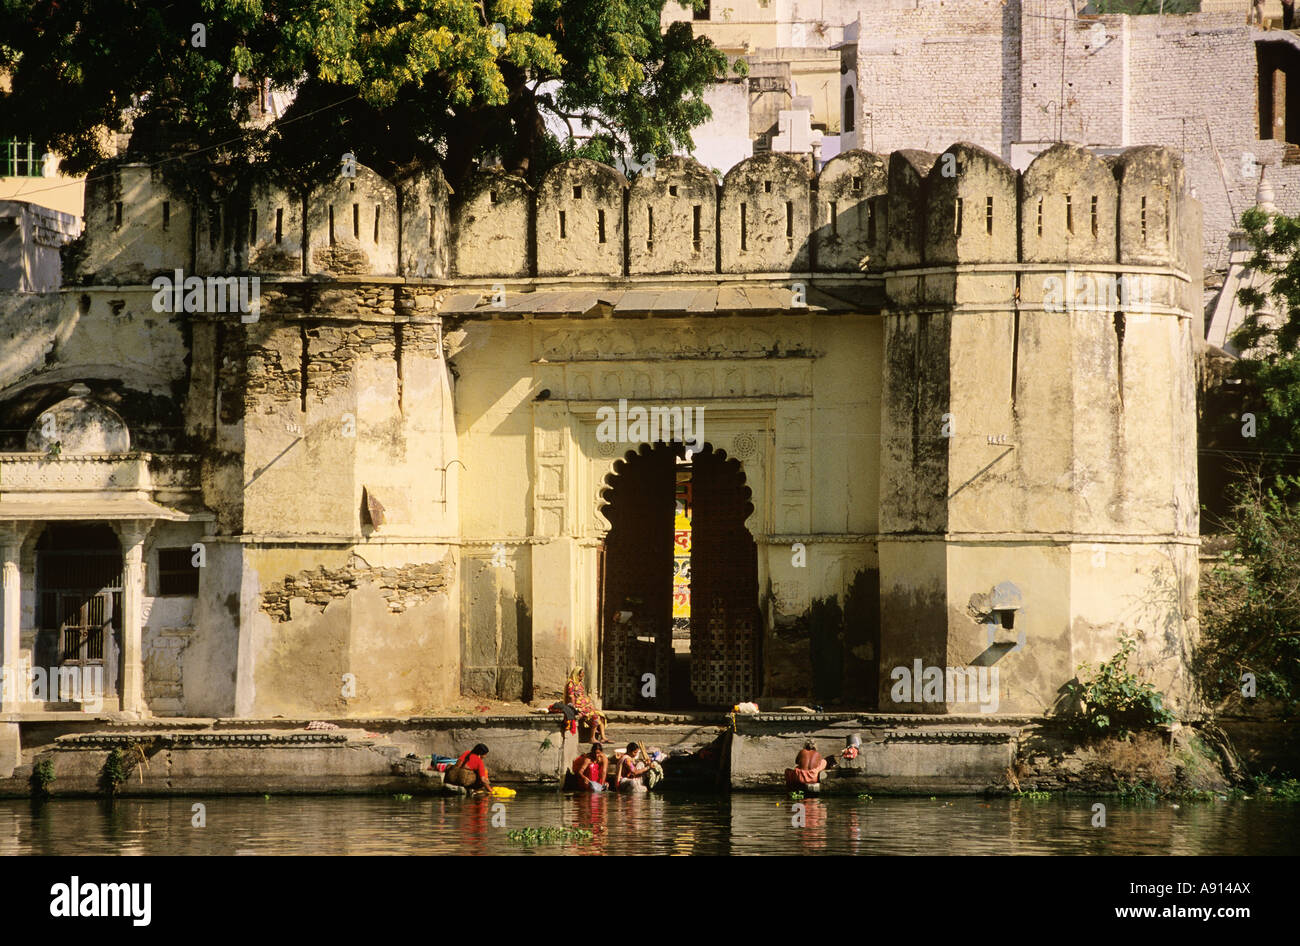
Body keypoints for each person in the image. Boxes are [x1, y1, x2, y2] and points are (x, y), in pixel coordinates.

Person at [566, 668, 608, 742]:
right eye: (581, 674)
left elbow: (582, 695)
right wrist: (573, 708)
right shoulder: (571, 683)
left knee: (601, 715)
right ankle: (592, 738)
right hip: (578, 707)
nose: (582, 675)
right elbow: (571, 696)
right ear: (577, 674)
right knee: (595, 716)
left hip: (584, 705)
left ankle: (603, 737)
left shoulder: (580, 684)